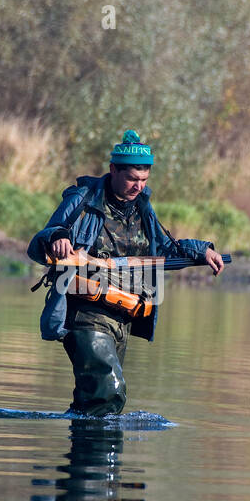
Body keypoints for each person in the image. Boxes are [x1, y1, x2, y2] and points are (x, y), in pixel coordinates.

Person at [27, 130, 224, 416]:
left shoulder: (143, 207)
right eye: (132, 178)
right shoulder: (83, 198)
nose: (138, 186)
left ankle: (86, 453)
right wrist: (57, 237)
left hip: (123, 318)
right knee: (110, 393)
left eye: (144, 180)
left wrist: (201, 250)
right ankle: (98, 454)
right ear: (113, 170)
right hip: (83, 315)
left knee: (92, 402)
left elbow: (166, 249)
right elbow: (38, 243)